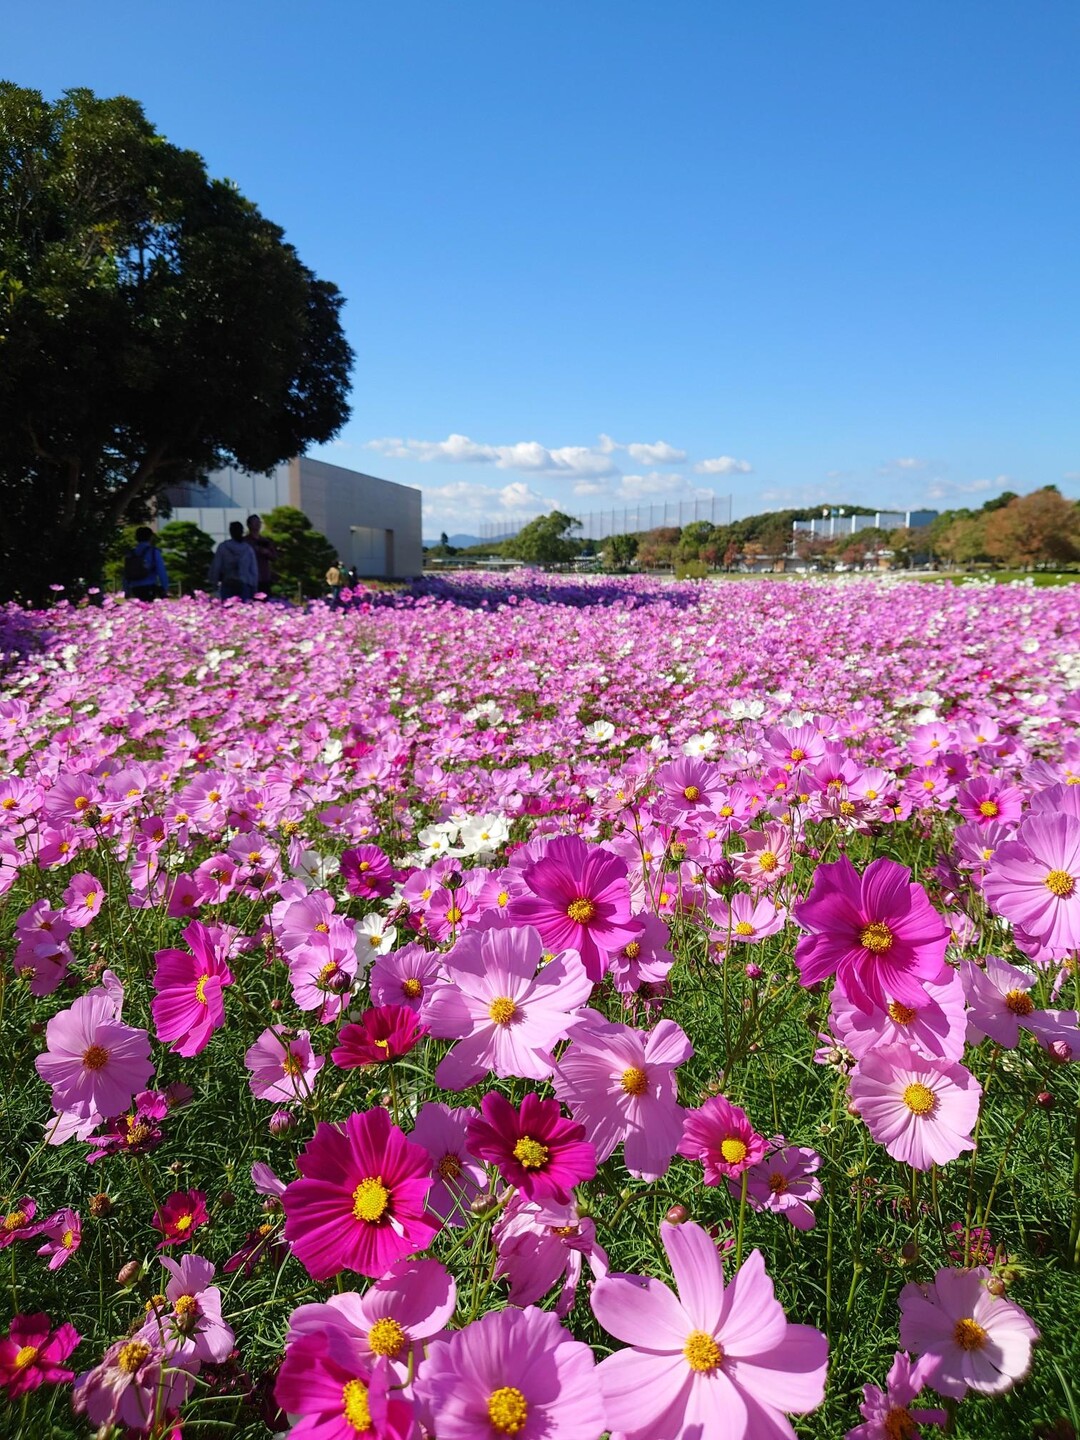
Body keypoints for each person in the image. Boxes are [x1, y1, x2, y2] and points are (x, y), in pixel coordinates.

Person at [209, 520, 258, 600]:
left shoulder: (223, 547)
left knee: (227, 609)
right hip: (244, 583)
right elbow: (253, 570)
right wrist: (254, 587)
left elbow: (216, 567)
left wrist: (214, 584)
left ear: (230, 532)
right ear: (242, 532)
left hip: (228, 582)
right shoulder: (248, 549)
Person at [123, 526, 169, 601]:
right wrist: (165, 588)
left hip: (133, 588)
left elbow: (126, 572)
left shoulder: (131, 553)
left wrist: (125, 589)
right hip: (149, 586)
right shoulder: (153, 552)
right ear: (150, 537)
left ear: (136, 538)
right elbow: (161, 571)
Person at [245, 513, 277, 598]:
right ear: (249, 525)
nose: (258, 525)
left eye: (259, 522)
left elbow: (274, 557)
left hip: (264, 577)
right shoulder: (245, 542)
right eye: (255, 522)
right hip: (249, 578)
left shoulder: (265, 541)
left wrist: (267, 552)